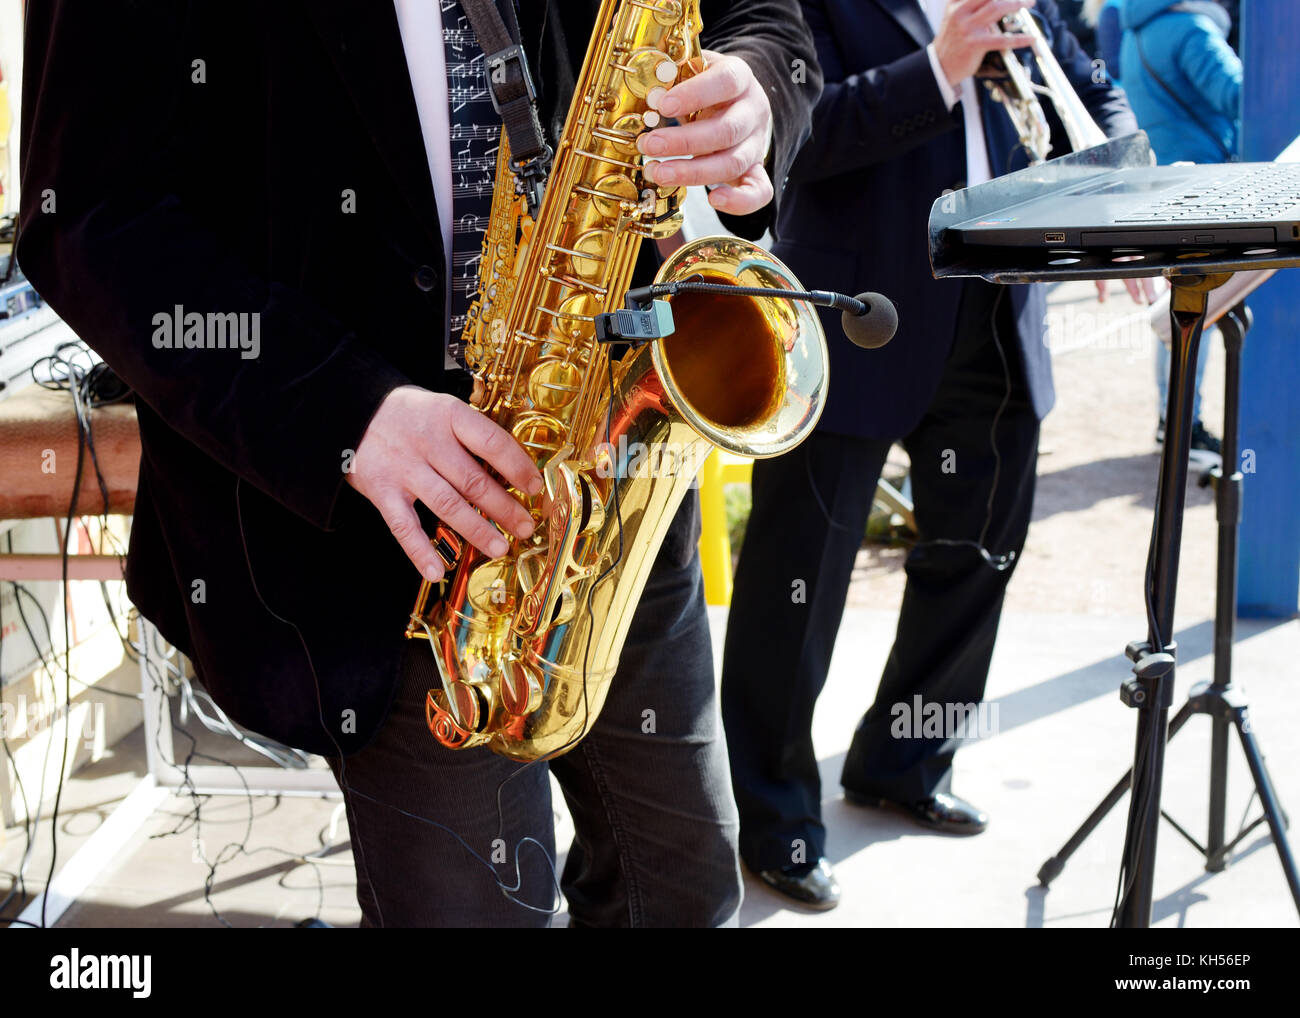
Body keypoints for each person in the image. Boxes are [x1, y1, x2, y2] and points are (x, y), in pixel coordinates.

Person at [18, 0, 820, 927]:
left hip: (610, 478)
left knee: (684, 893)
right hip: (383, 547)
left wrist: (755, 91)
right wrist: (344, 407)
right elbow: (86, 216)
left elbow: (765, 20)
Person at [720, 0, 1138, 909]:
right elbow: (800, 132)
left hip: (997, 313)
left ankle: (904, 763)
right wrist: (942, 68)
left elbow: (1092, 92)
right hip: (860, 317)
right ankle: (774, 817)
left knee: (976, 559)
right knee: (798, 582)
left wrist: (1127, 176)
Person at [1121, 0, 1241, 455]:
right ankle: (1183, 426)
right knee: (1203, 306)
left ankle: (1173, 419)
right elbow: (1241, 93)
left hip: (1163, 182)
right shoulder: (1188, 27)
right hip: (1206, 186)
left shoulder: (1138, 30)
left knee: (1183, 303)